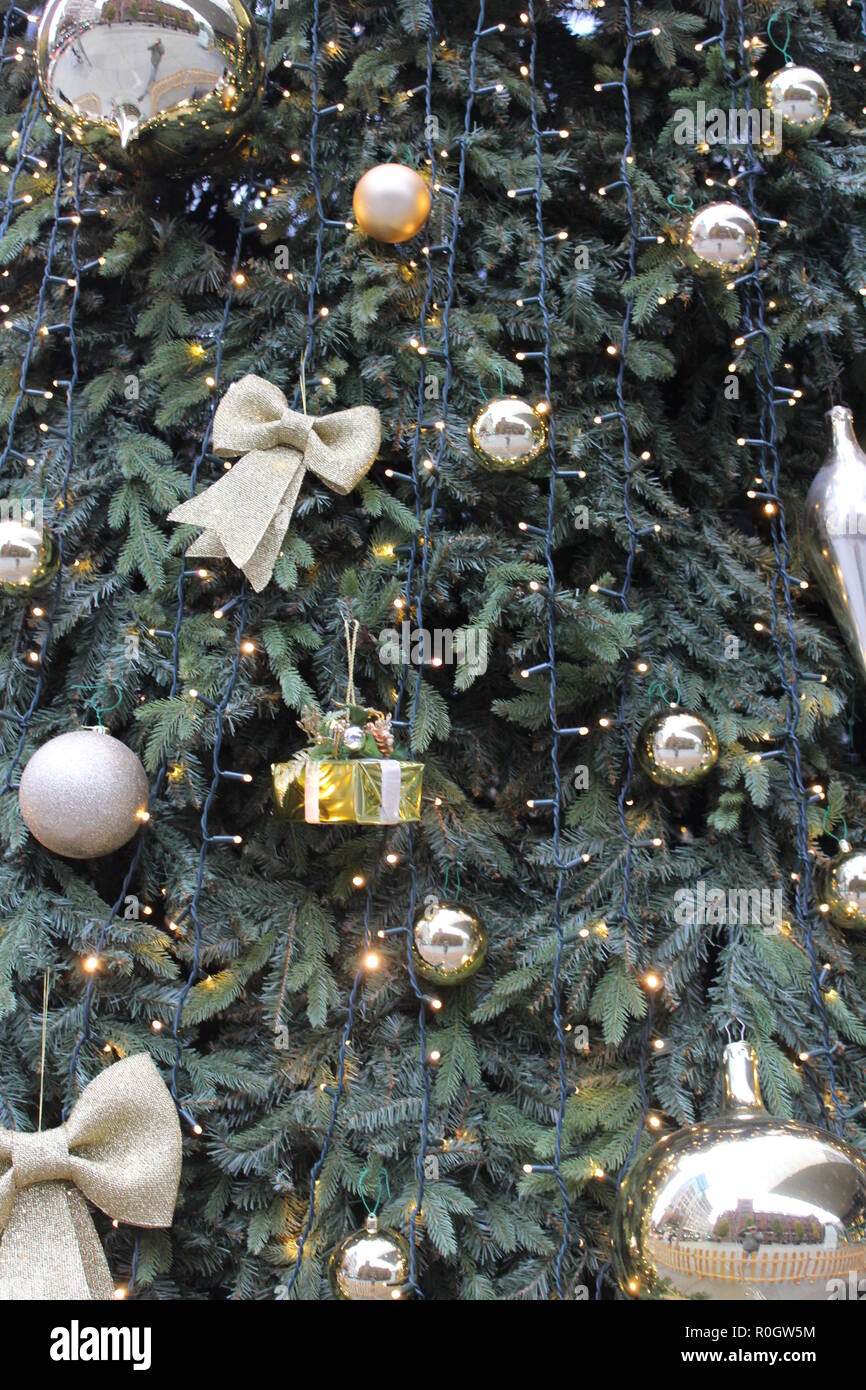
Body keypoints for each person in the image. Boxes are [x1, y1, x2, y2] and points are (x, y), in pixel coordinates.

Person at [137, 38, 165, 102]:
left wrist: (159, 47)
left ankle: (153, 82)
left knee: (153, 75)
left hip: (157, 63)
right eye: (157, 43)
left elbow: (163, 52)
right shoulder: (154, 46)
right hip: (153, 63)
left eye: (158, 43)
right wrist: (153, 45)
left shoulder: (161, 47)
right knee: (151, 78)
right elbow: (148, 48)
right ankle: (145, 93)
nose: (157, 44)